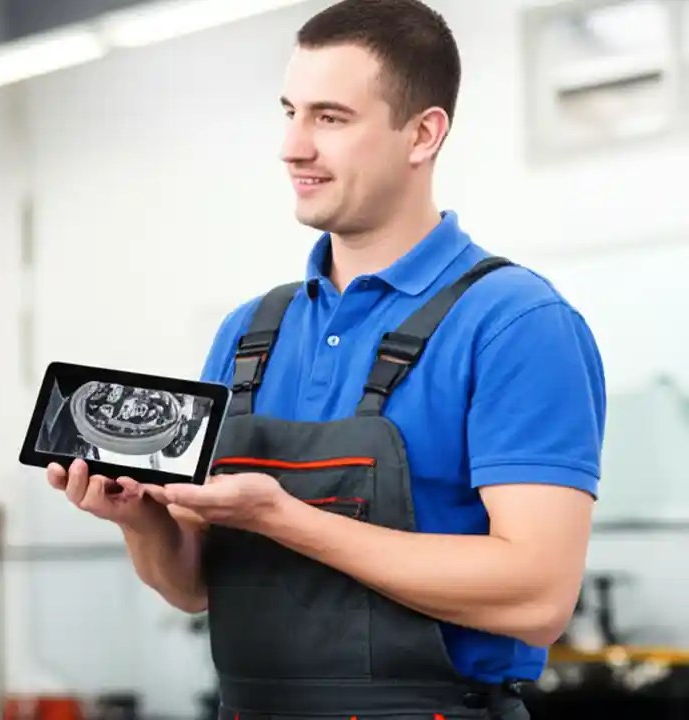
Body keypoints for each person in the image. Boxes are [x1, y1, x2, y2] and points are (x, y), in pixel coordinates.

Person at [46, 1, 604, 718]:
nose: (293, 146)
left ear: (423, 134)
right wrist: (140, 521)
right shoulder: (249, 334)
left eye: (330, 118)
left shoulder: (517, 325)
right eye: (289, 112)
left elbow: (536, 596)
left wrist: (284, 518)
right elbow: (193, 585)